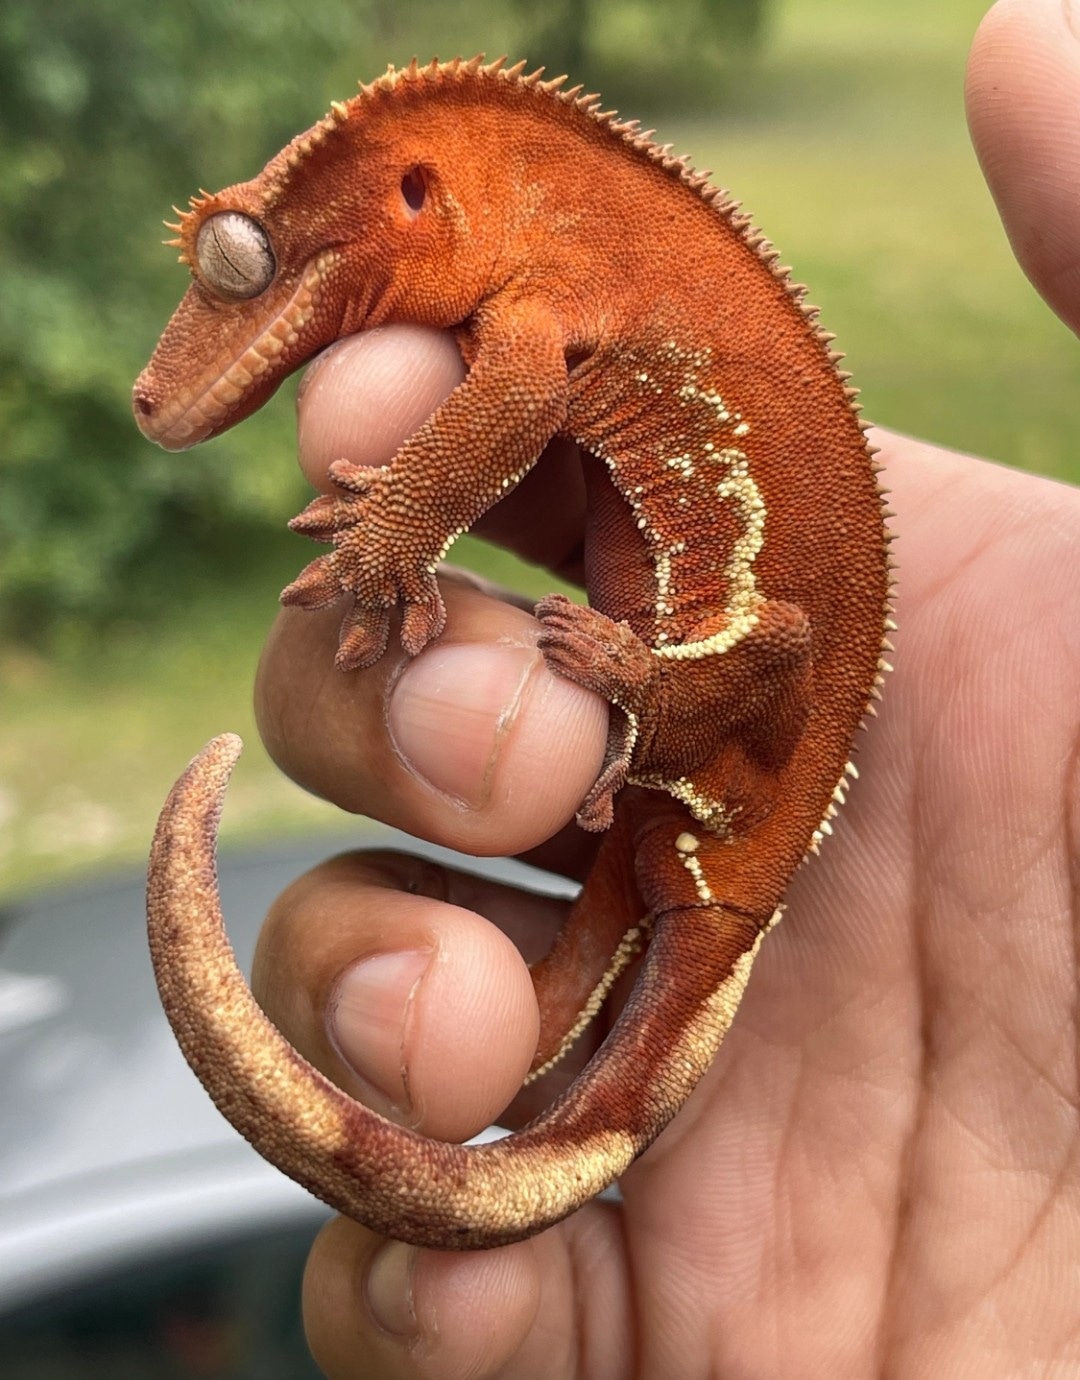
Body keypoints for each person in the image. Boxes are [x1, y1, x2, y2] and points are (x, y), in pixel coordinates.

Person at [248, 1, 1080, 1373]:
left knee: (573, 993)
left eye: (267, 260)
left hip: (725, 720)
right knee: (519, 1071)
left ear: (419, 193)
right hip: (697, 784)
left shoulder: (541, 273)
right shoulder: (540, 257)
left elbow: (772, 648)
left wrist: (405, 538)